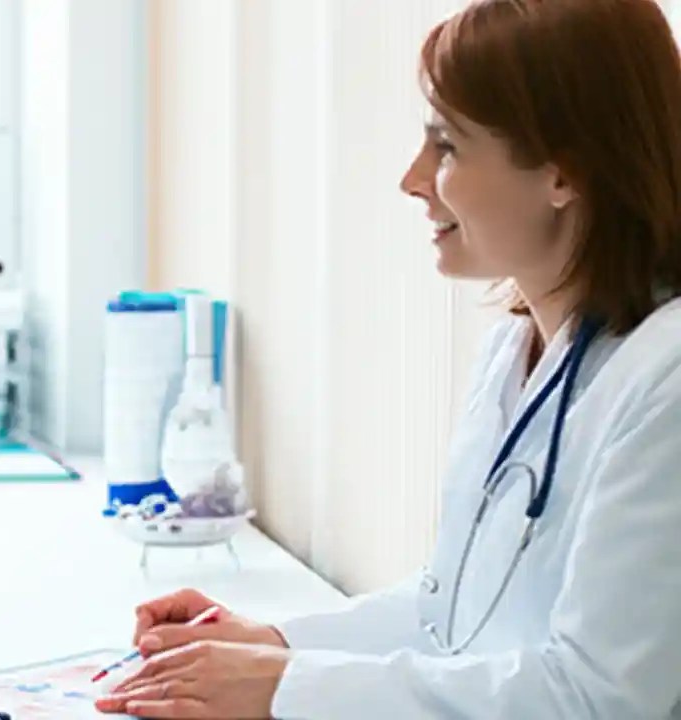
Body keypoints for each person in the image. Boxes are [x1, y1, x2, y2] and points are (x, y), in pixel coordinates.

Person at [97, 0, 681, 717]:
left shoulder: (666, 375)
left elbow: (599, 699)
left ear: (563, 174)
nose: (413, 178)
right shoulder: (518, 347)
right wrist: (271, 643)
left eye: (448, 148)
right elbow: (449, 612)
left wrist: (283, 688)